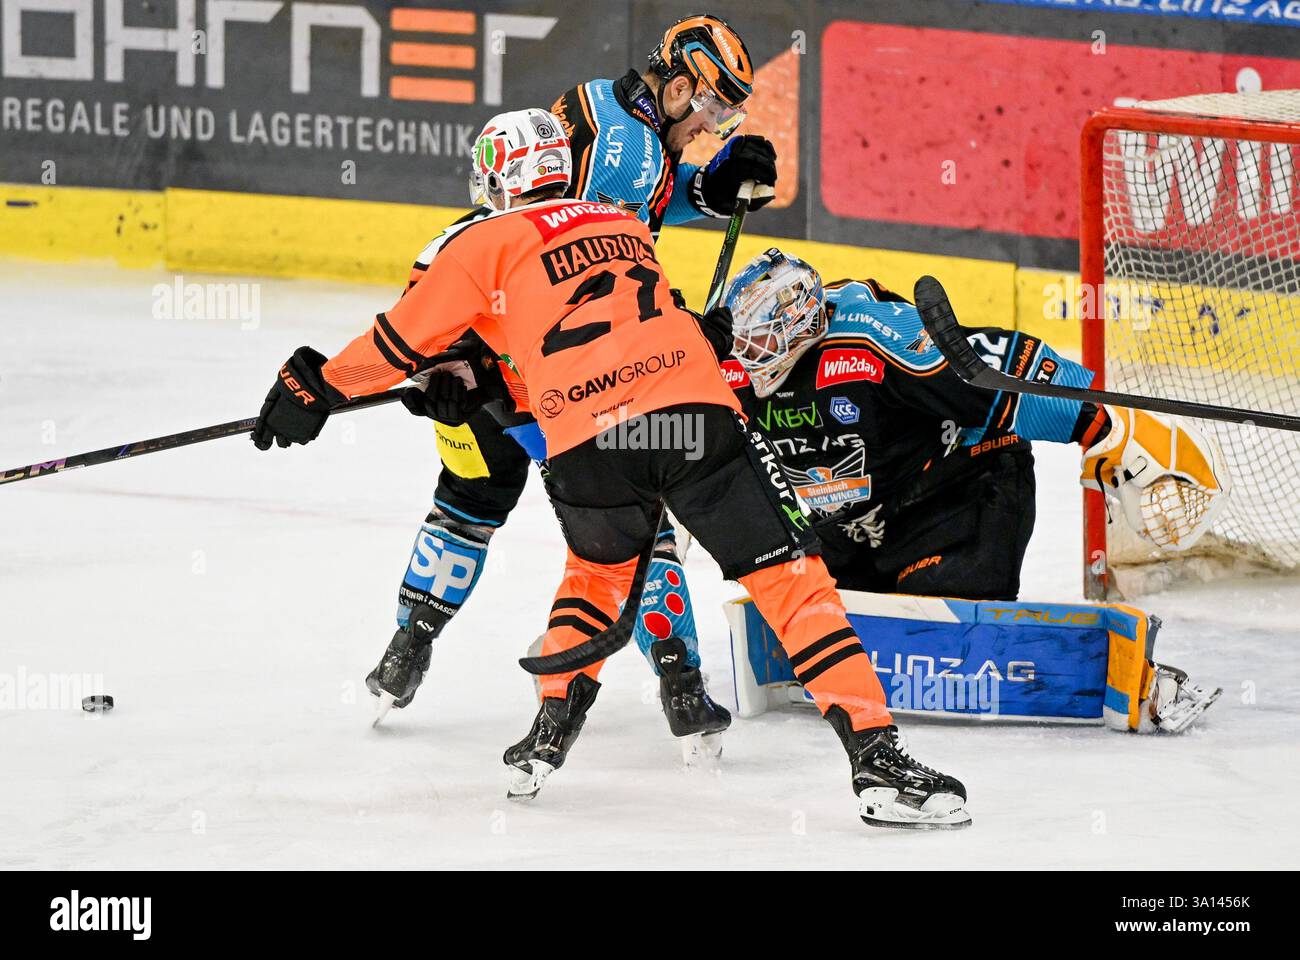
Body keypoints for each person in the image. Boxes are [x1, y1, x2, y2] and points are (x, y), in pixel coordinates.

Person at [250, 108, 971, 829]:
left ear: (500, 181)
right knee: (790, 580)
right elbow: (648, 327)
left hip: (587, 443)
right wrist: (475, 378)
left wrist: (308, 387)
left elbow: (397, 344)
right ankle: (878, 761)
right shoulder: (622, 223)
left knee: (595, 577)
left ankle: (547, 735)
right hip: (692, 417)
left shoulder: (479, 242)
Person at [365, 14, 779, 747]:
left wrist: (715, 187)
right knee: (638, 516)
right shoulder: (627, 153)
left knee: (468, 500)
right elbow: (594, 278)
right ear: (678, 87)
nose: (712, 128)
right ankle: (681, 684)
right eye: (712, 111)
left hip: (477, 358)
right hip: (555, 380)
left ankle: (405, 650)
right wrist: (681, 335)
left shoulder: (614, 119)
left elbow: (619, 212)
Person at [717, 248, 1227, 731]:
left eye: (760, 339)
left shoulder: (872, 338)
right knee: (815, 592)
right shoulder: (738, 366)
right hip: (864, 521)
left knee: (936, 609)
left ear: (801, 323)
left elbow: (1000, 366)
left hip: (961, 490)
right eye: (744, 338)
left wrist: (1102, 426)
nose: (748, 352)